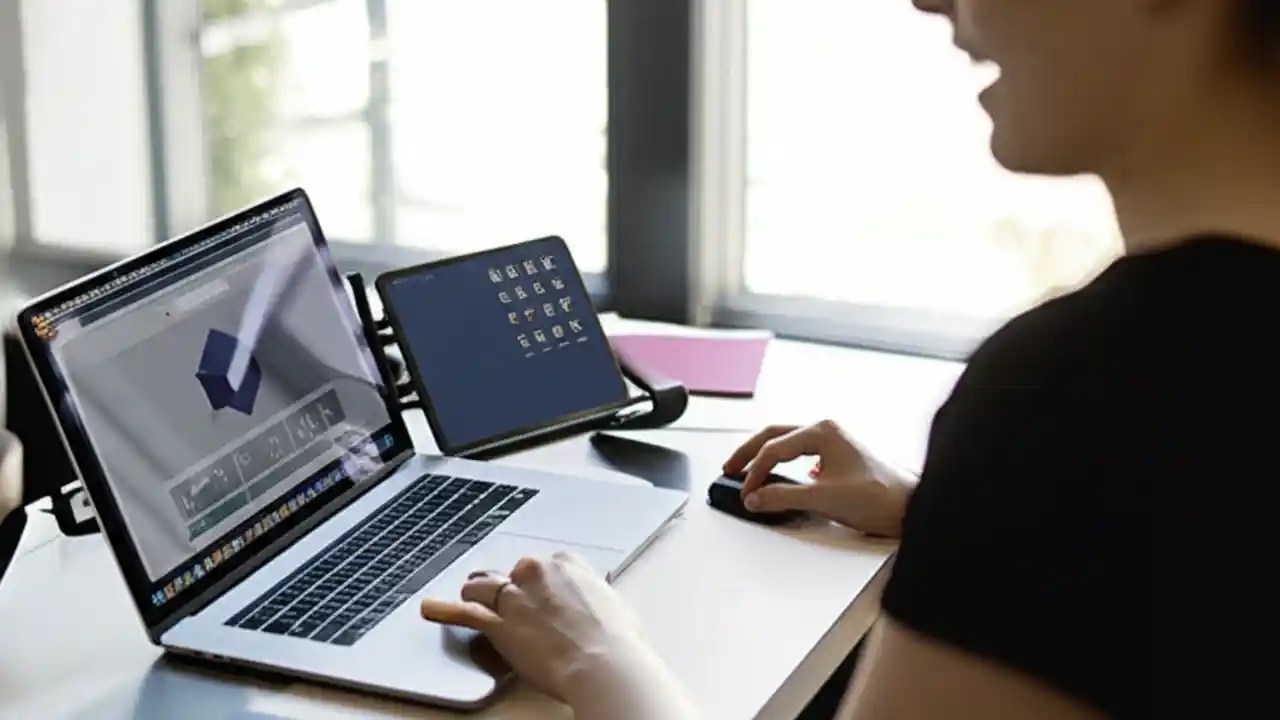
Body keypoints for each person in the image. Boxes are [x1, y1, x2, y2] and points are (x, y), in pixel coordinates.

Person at [421, 0, 1278, 716]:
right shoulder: (1148, 414)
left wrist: (595, 657)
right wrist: (952, 517)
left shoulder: (1092, 395)